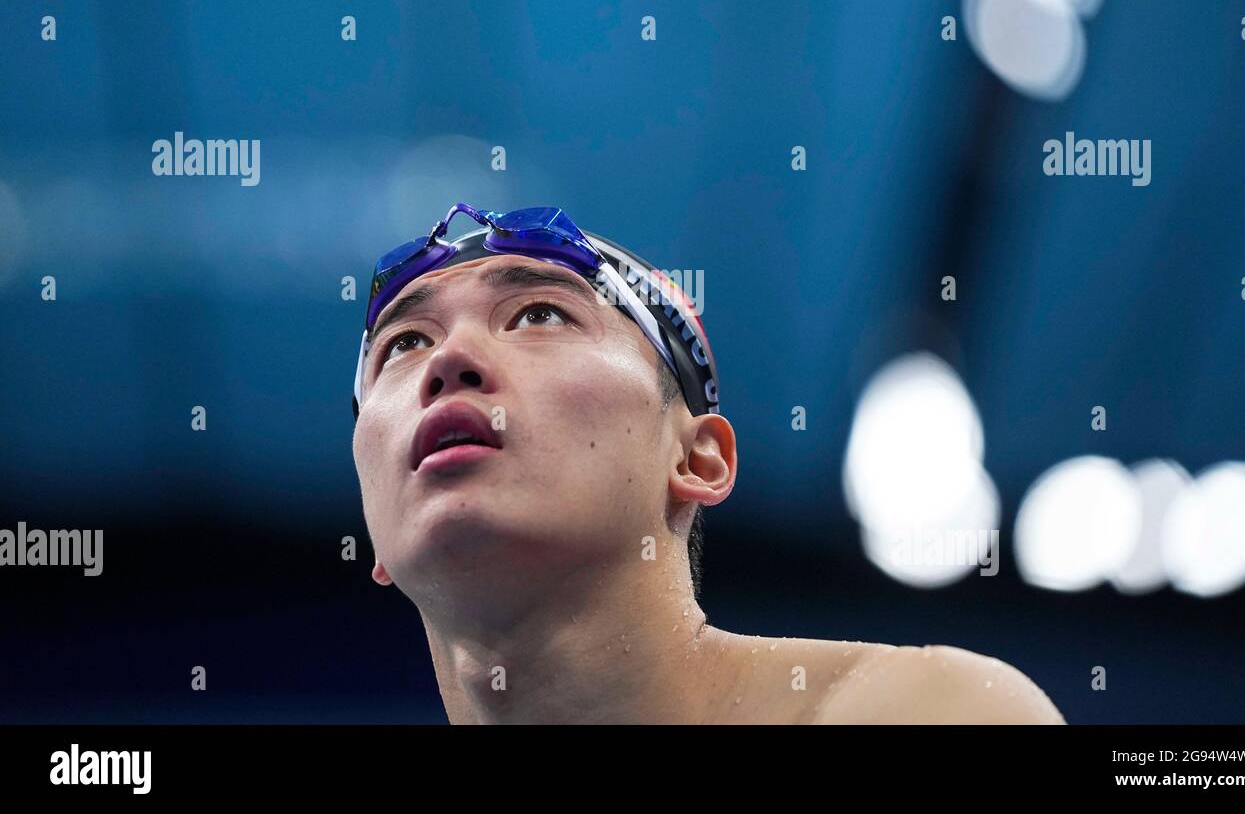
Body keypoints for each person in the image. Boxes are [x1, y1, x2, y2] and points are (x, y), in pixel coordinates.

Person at [350, 203, 1065, 724]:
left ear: (699, 458)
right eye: (405, 343)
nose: (449, 361)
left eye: (539, 315)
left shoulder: (922, 711)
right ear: (371, 525)